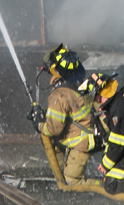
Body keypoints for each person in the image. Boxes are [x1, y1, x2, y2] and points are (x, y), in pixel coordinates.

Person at [36, 44, 99, 187]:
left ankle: (104, 189)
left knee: (72, 181)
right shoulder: (77, 84)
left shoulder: (59, 95)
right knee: (55, 145)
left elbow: (53, 130)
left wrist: (39, 124)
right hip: (86, 134)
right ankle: (60, 179)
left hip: (80, 142)